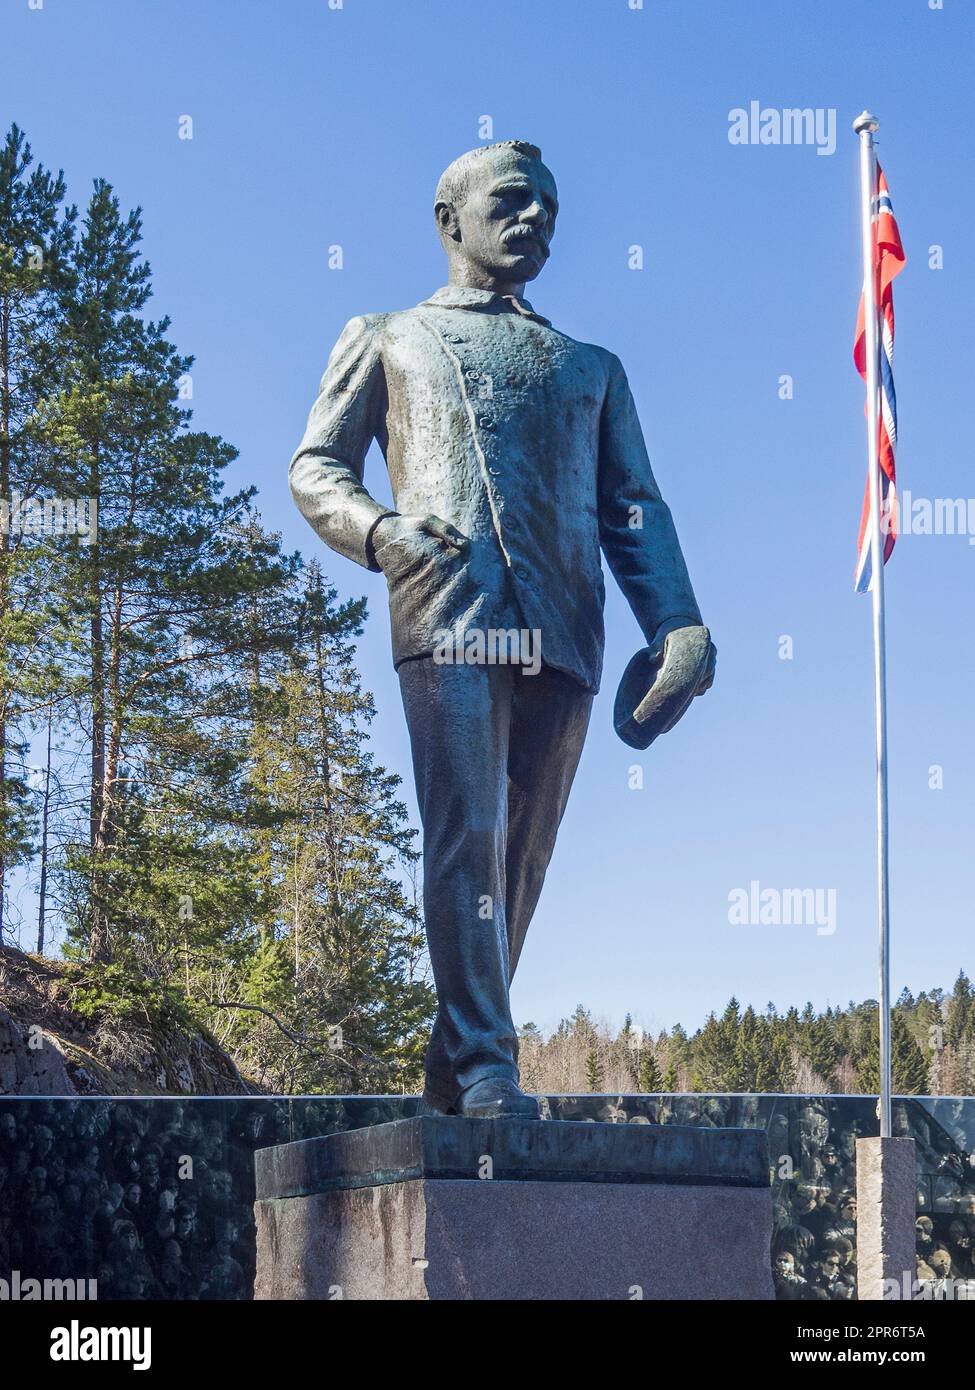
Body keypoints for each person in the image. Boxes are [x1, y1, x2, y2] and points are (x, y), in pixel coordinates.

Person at [290, 141, 714, 1118]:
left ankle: (454, 1073)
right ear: (451, 220)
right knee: (467, 839)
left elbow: (634, 508)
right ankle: (487, 1062)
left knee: (519, 861)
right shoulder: (389, 335)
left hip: (567, 630)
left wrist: (679, 620)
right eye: (514, 202)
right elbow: (316, 465)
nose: (536, 221)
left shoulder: (590, 367)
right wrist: (382, 531)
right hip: (450, 618)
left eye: (551, 211)